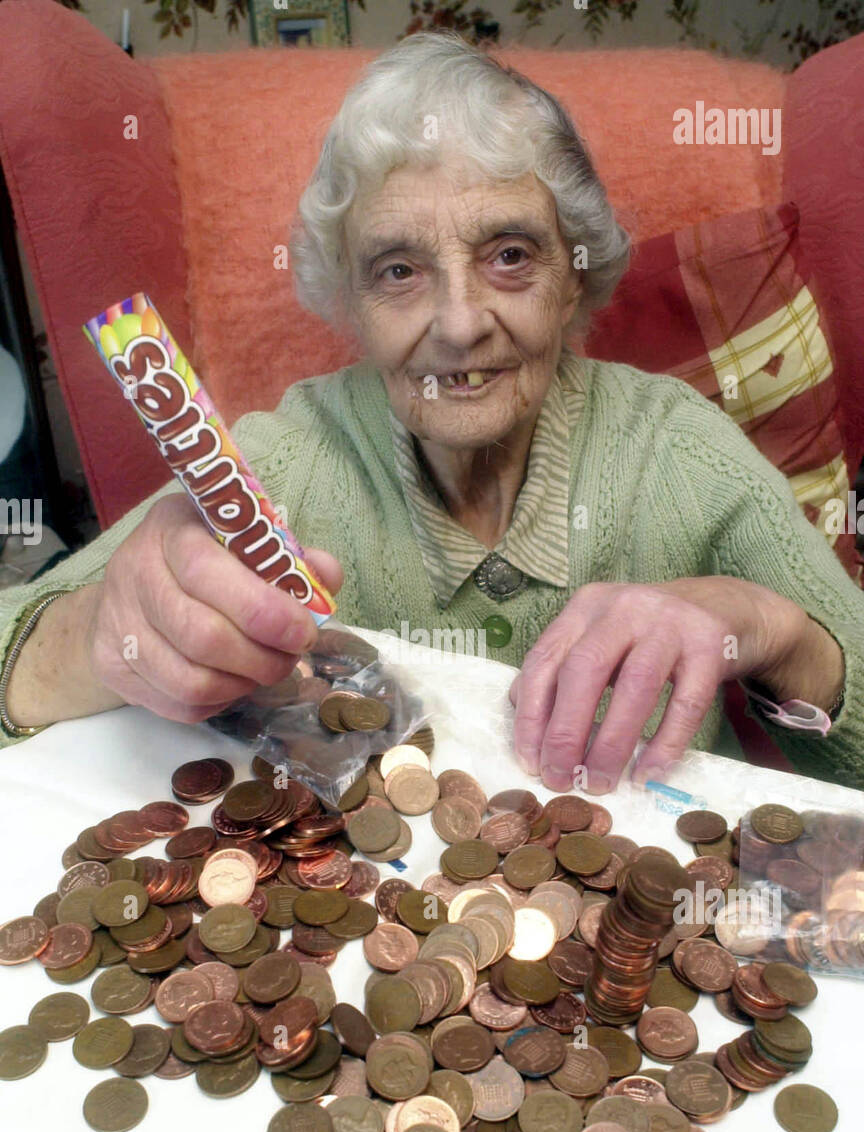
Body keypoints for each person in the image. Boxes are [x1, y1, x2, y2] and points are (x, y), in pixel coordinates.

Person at [1, 32, 862, 793]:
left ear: (576, 275)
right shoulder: (283, 459)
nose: (458, 324)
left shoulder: (683, 454)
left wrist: (770, 628)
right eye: (399, 270)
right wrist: (90, 634)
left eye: (512, 254)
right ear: (349, 300)